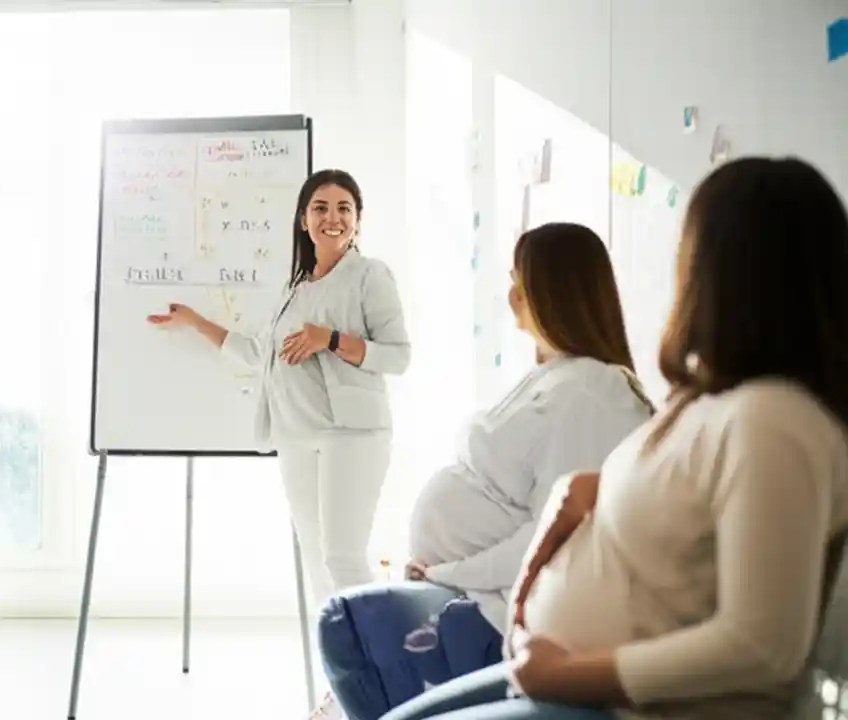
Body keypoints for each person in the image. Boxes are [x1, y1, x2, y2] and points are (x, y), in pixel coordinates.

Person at [383, 157, 848, 720]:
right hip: (580, 680)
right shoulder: (712, 404)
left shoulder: (774, 420)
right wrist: (590, 491)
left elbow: (762, 647)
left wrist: (566, 673)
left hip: (626, 703)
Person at [317, 223, 654, 720]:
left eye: (523, 281)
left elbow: (552, 540)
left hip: (509, 616)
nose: (512, 294)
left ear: (557, 292)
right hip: (473, 593)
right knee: (340, 624)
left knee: (351, 634)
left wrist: (447, 572)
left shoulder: (591, 395)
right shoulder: (558, 376)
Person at [148, 168, 410, 612]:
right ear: (303, 220)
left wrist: (328, 339)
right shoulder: (294, 291)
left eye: (345, 208)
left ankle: (383, 677)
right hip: (295, 438)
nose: (334, 218)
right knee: (316, 564)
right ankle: (344, 676)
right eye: (321, 208)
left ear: (358, 220)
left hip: (349, 436)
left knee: (343, 558)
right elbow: (257, 355)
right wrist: (193, 321)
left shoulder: (369, 276)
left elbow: (398, 356)